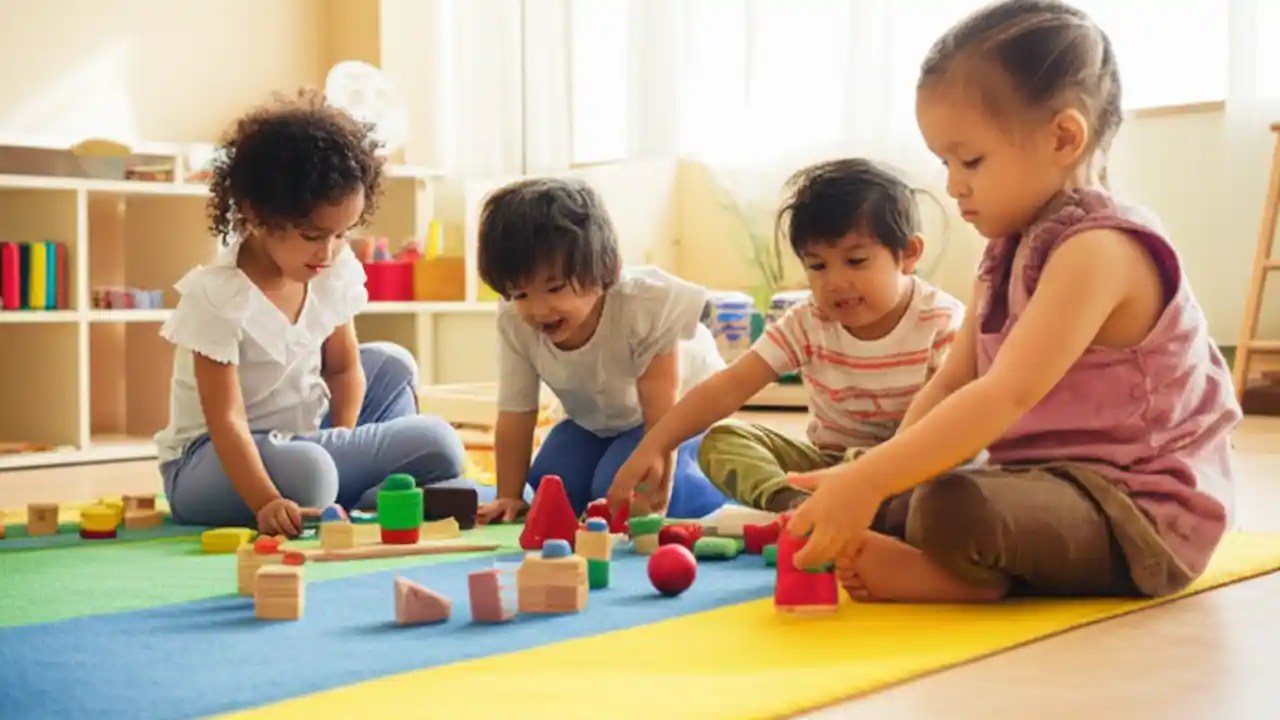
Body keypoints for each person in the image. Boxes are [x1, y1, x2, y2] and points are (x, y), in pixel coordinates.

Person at [781, 0, 1242, 602]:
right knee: (903, 490)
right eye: (944, 162)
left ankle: (963, 580)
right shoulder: (1006, 251)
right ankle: (945, 546)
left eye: (971, 160)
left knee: (951, 507)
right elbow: (951, 384)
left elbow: (1006, 393)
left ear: (1063, 137)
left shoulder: (1100, 249)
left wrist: (872, 480)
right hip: (1043, 489)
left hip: (1136, 512)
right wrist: (874, 476)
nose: (953, 184)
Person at [155, 90, 466, 537]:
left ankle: (359, 483)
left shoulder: (330, 270)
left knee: (394, 366)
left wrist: (342, 439)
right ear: (256, 215)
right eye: (312, 235)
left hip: (307, 435)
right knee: (315, 472)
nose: (329, 251)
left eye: (341, 235)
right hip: (213, 460)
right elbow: (226, 421)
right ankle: (373, 487)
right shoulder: (216, 297)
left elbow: (343, 369)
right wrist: (266, 500)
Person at [610, 159, 965, 514]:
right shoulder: (809, 322)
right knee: (723, 441)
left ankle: (860, 510)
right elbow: (729, 386)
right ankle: (796, 506)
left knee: (956, 481)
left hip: (909, 465)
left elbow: (947, 420)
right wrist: (654, 446)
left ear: (908, 254)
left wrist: (876, 470)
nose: (836, 282)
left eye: (856, 261)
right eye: (817, 266)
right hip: (828, 467)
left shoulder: (941, 320)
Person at [474, 177, 729, 524]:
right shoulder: (514, 321)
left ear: (605, 272)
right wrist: (509, 495)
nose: (537, 309)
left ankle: (721, 476)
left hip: (678, 414)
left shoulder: (643, 306)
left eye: (555, 288)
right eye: (520, 294)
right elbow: (516, 412)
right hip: (600, 420)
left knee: (619, 492)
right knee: (551, 490)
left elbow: (660, 398)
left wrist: (658, 470)